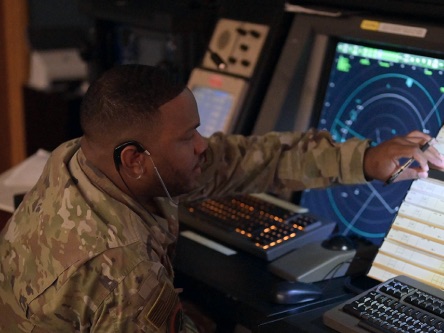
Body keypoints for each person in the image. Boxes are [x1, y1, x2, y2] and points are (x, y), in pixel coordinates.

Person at [0, 64, 442, 333]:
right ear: (135, 159)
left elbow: (240, 160)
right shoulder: (121, 268)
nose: (203, 146)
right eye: (188, 137)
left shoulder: (81, 155)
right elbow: (120, 289)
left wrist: (364, 159)